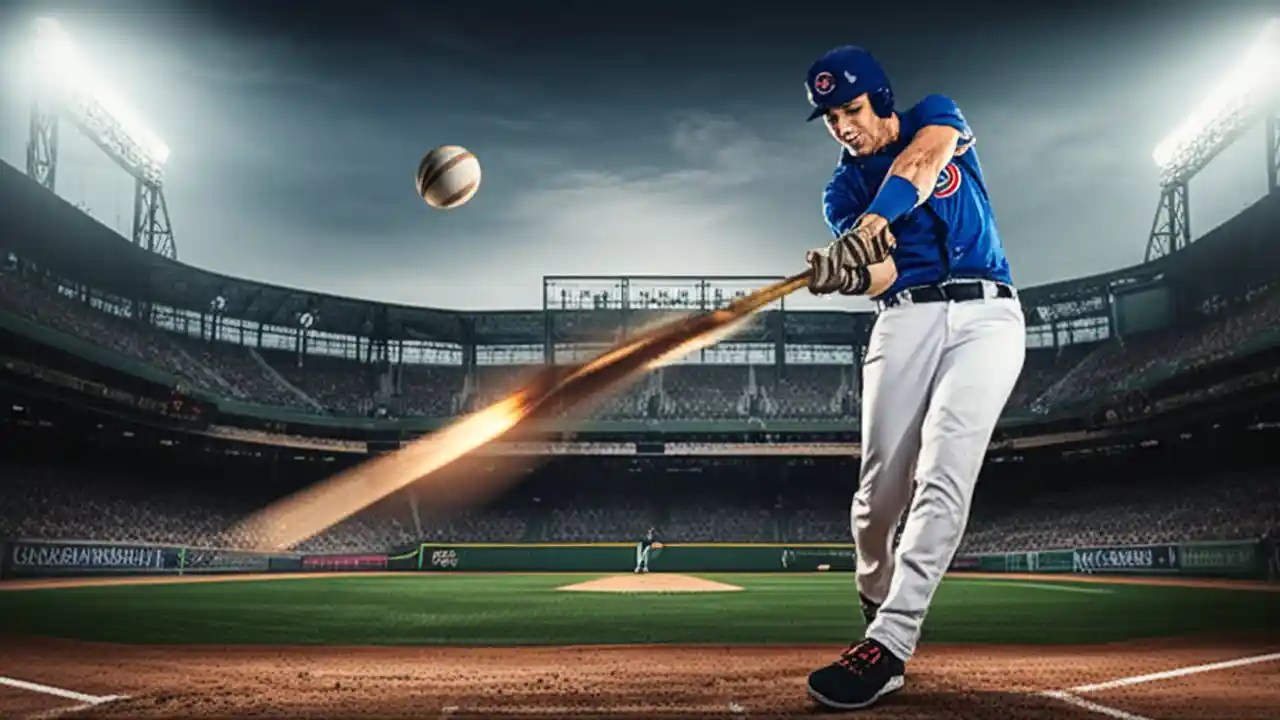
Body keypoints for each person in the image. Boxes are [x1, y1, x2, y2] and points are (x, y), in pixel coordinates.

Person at [800, 45, 1026, 710]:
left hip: (989, 316)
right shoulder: (839, 190)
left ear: (882, 97)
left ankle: (889, 645)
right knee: (877, 498)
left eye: (851, 108)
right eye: (829, 117)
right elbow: (884, 274)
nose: (841, 125)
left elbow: (922, 164)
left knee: (944, 471)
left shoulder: (936, 115)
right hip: (905, 320)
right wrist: (848, 274)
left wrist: (876, 220)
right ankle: (876, 598)